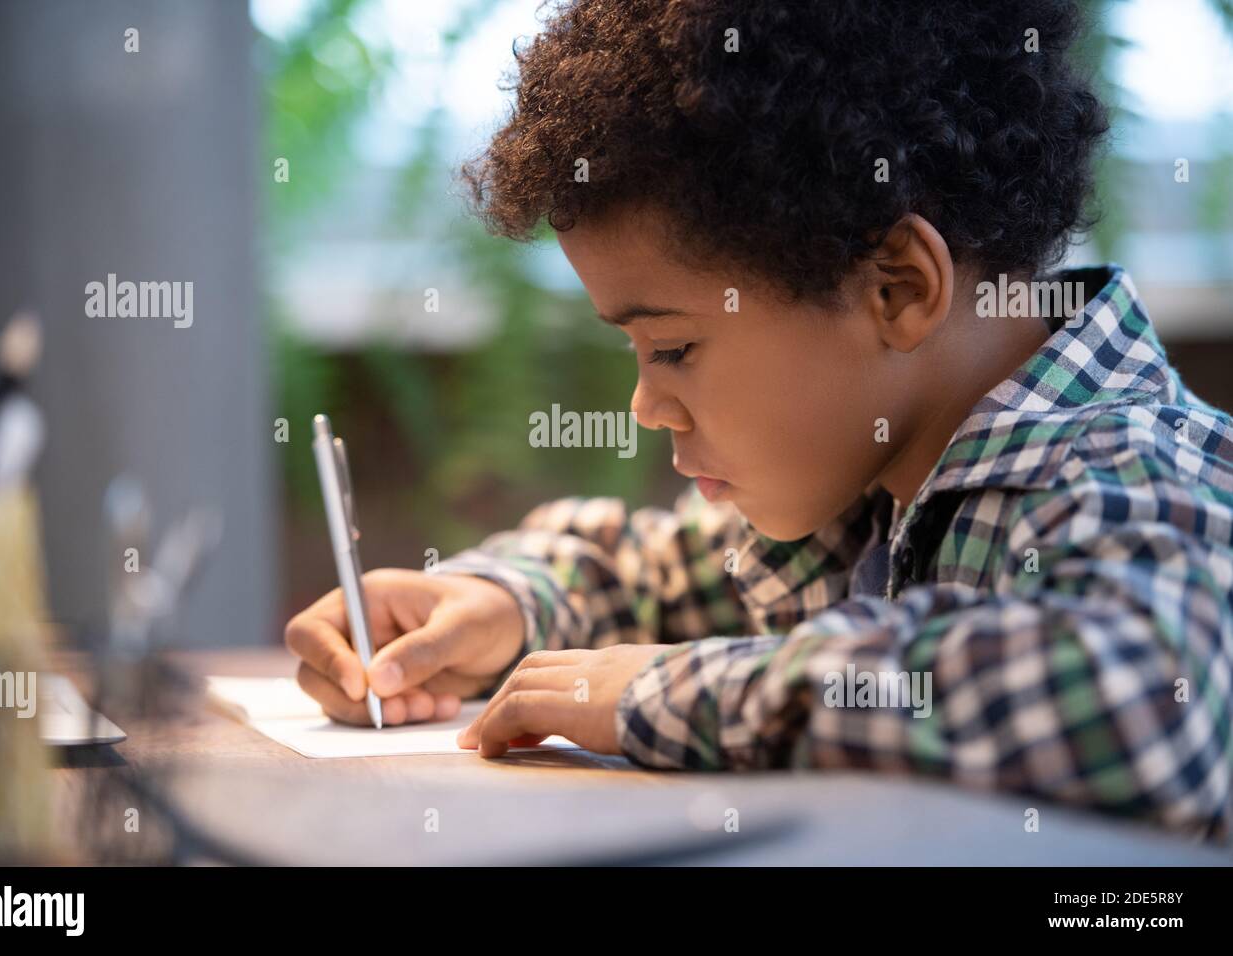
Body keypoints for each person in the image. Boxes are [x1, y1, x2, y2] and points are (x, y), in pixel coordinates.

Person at [285, 0, 1233, 839]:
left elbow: (1142, 705)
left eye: (675, 347)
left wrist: (667, 693)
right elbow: (656, 572)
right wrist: (501, 604)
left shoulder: (1132, 469)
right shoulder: (876, 486)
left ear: (897, 287)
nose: (645, 406)